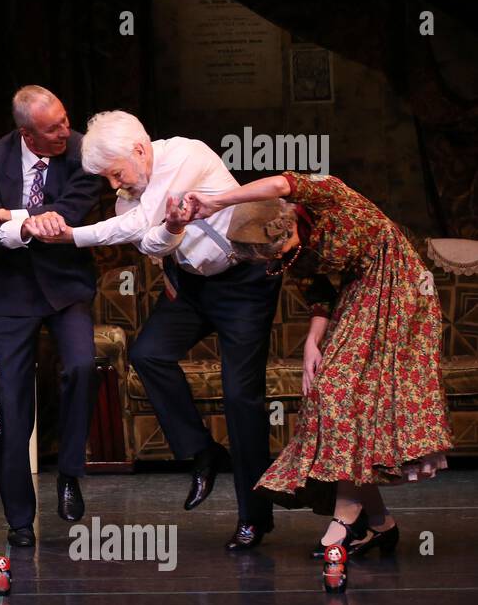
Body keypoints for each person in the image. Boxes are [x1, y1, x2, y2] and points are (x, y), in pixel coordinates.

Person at [25, 110, 280, 550]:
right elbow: (150, 242)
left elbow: (137, 227)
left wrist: (70, 236)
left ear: (140, 151)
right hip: (191, 287)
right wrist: (174, 227)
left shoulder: (185, 153)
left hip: (244, 285)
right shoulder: (132, 194)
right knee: (148, 354)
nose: (113, 185)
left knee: (242, 396)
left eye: (116, 172)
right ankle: (203, 452)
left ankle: (253, 518)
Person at [184, 173, 452, 558]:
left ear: (289, 221)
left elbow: (280, 184)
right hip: (361, 294)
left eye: (281, 247)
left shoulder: (328, 198)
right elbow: (319, 292)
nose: (281, 256)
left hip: (401, 290)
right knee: (331, 395)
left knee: (343, 397)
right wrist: (312, 341)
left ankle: (346, 517)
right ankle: (379, 524)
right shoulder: (293, 252)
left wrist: (218, 201)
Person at [0, 86, 104, 545]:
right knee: (14, 402)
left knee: (83, 365)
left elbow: (72, 211)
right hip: (12, 292)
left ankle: (68, 472)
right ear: (27, 133)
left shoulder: (85, 151)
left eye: (65, 119)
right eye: (53, 128)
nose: (66, 131)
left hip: (66, 287)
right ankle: (19, 519)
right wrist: (24, 224)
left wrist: (12, 215)